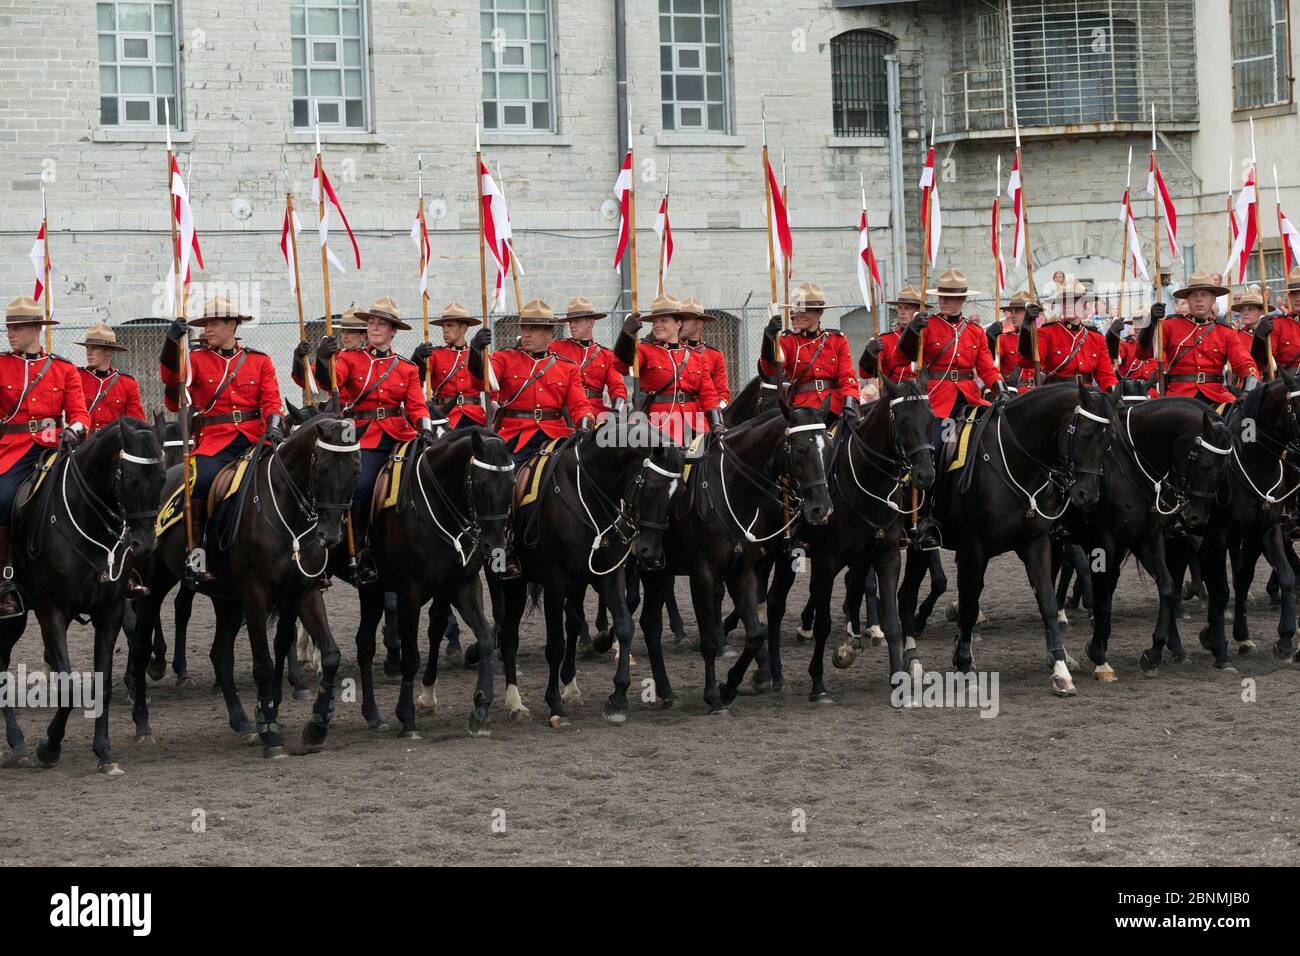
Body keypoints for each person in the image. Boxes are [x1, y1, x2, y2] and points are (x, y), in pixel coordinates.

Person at [160, 296, 283, 585]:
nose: (207, 329)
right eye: (205, 324)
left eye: (213, 323)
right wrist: (170, 344)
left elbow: (272, 401)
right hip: (216, 443)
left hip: (256, 440)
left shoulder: (259, 360)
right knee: (201, 482)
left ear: (232, 324)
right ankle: (197, 552)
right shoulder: (196, 360)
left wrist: (274, 424)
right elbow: (171, 377)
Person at [312, 296, 433, 584]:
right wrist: (322, 358)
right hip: (360, 434)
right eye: (372, 323)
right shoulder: (349, 358)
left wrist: (425, 427)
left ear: (393, 331)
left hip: (400, 435)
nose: (376, 327)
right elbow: (330, 383)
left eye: (382, 324)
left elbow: (416, 405)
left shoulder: (407, 368)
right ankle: (362, 550)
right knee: (363, 484)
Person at [895, 269, 1007, 551]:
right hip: (937, 401)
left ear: (962, 300)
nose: (945, 301)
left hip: (970, 399)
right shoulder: (927, 324)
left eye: (951, 297)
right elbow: (902, 356)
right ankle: (930, 517)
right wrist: (911, 331)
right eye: (942, 296)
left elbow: (985, 367)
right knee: (939, 452)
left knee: (991, 443)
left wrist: (1000, 390)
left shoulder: (975, 331)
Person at [0, 296, 91, 615]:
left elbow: (80, 413)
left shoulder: (64, 368)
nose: (10, 332)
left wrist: (74, 430)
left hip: (57, 444)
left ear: (36, 329)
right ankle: (4, 580)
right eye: (8, 326)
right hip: (14, 449)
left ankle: (115, 565)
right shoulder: (1, 365)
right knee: (3, 499)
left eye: (17, 327)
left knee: (98, 489)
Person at [612, 293, 722, 444]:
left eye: (664, 320)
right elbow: (621, 366)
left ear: (678, 324)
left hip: (695, 424)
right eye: (655, 321)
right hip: (660, 425)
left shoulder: (696, 357)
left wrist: (716, 423)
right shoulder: (645, 350)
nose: (657, 325)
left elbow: (708, 395)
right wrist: (626, 335)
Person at [1135, 272, 1257, 404]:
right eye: (1194, 295)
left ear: (1213, 299)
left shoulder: (1225, 331)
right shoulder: (1170, 325)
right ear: (1187, 300)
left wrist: (1249, 390)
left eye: (1204, 295)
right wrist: (1151, 323)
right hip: (1179, 396)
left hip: (1216, 396)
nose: (1199, 299)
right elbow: (1142, 354)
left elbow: (1245, 364)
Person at [758, 281, 860, 422]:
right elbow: (770, 370)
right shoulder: (789, 341)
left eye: (805, 310)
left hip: (834, 408)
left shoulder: (837, 340)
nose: (799, 315)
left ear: (819, 313)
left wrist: (849, 405)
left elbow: (847, 377)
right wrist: (768, 338)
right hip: (803, 410)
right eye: (797, 310)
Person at [1021, 279, 1116, 391]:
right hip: (1057, 393)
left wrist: (1113, 391)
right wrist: (1026, 328)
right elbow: (1027, 362)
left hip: (1087, 395)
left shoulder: (1096, 338)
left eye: (1074, 301)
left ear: (1084, 305)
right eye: (1064, 302)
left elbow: (1106, 375)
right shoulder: (1046, 332)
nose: (1068, 305)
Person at [549, 296, 628, 417]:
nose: (572, 325)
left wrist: (618, 409)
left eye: (577, 321)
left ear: (591, 322)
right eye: (570, 321)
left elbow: (617, 386)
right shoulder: (556, 347)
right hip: (564, 410)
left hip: (595, 411)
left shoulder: (606, 355)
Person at [412, 302, 485, 429]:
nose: (445, 330)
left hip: (475, 416)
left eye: (450, 326)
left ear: (463, 328)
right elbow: (417, 382)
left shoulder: (477, 354)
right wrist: (417, 359)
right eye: (444, 326)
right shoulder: (434, 355)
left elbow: (488, 386)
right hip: (444, 416)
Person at [76, 322, 144, 431]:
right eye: (88, 347)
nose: (89, 352)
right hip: (84, 443)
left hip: (114, 444)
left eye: (94, 348)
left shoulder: (127, 383)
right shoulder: (77, 378)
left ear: (109, 350)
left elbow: (136, 423)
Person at [290, 305, 366, 395]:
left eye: (351, 332)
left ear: (363, 336)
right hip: (337, 406)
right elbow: (309, 380)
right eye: (343, 331)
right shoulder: (333, 356)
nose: (345, 336)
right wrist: (298, 358)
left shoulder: (370, 358)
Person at [859, 285, 921, 383]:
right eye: (900, 308)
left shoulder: (927, 337)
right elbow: (865, 375)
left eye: (907, 308)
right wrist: (869, 353)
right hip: (895, 394)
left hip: (924, 394)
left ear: (918, 311)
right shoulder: (886, 339)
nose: (902, 312)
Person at [677, 296, 731, 410]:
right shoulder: (672, 350)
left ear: (699, 323)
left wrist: (717, 410)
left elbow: (723, 394)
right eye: (679, 319)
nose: (681, 324)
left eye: (686, 319)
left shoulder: (714, 355)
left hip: (706, 413)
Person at [1251, 267, 1300, 375]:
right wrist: (1258, 339)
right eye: (1293, 294)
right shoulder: (1278, 324)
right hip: (1289, 386)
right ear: (1289, 297)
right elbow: (1263, 364)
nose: (1297, 298)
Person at [986, 289, 1033, 385]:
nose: (1013, 315)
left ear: (1029, 312)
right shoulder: (1004, 339)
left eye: (1018, 311)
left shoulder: (1042, 337)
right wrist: (990, 341)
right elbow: (991, 364)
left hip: (1040, 390)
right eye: (1012, 311)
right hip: (1014, 391)